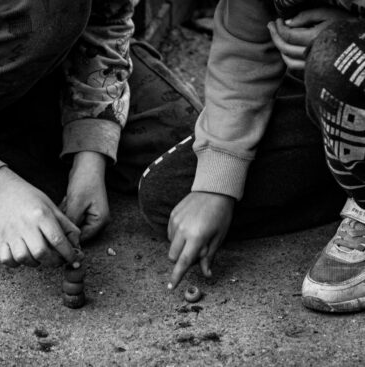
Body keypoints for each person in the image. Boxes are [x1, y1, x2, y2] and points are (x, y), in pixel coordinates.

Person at [0, 1, 201, 269]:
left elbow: (108, 19)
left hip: (52, 60)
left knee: (188, 146)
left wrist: (91, 154)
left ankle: (25, 142)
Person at [139, 0, 365, 313]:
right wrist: (216, 183)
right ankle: (348, 175)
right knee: (169, 193)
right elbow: (244, 52)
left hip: (348, 70)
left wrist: (350, 45)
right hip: (329, 94)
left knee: (337, 59)